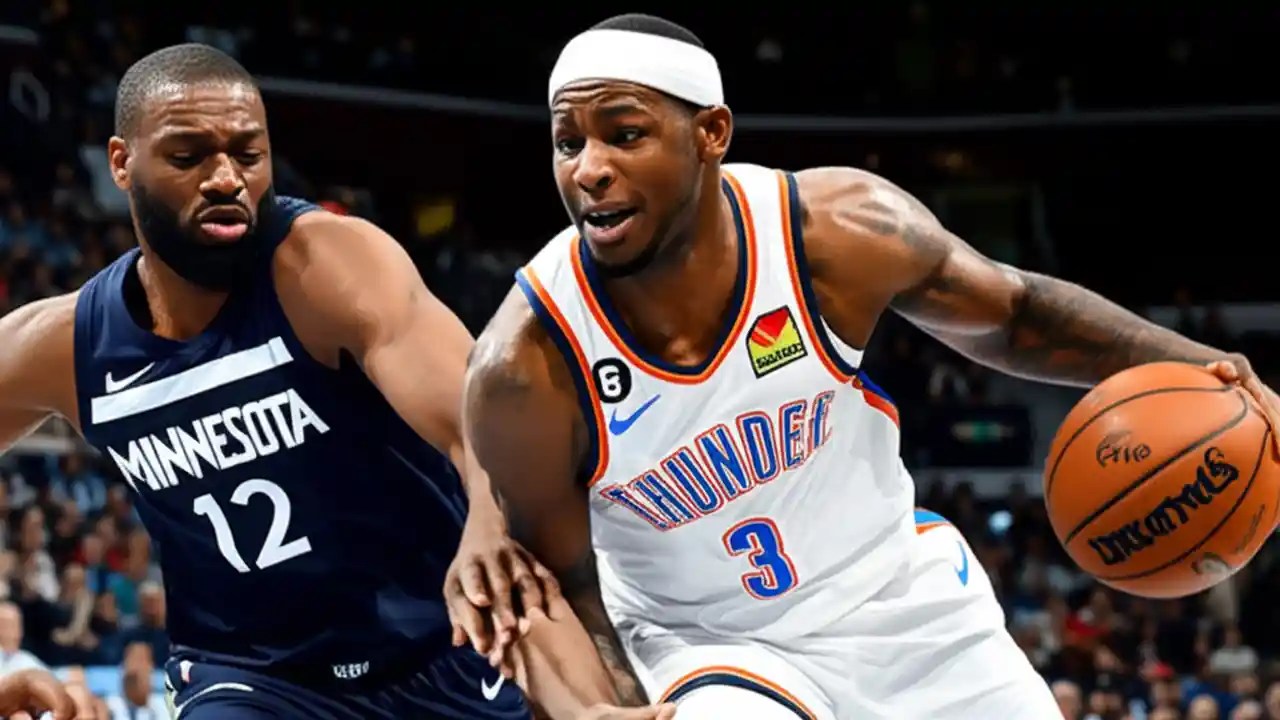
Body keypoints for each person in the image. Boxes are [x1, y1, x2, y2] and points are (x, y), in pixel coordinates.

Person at [462, 13, 1280, 720]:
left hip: (898, 600)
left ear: (711, 133)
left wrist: (1213, 369)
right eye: (568, 142)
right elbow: (569, 581)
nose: (588, 167)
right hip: (708, 644)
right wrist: (611, 706)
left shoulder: (832, 231)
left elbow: (1016, 314)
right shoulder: (527, 363)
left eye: (625, 133)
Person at [0, 43, 555, 719]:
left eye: (247, 153)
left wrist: (491, 524)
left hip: (438, 649)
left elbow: (484, 425)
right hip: (252, 677)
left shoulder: (328, 267)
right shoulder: (66, 345)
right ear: (121, 163)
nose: (226, 177)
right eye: (189, 156)